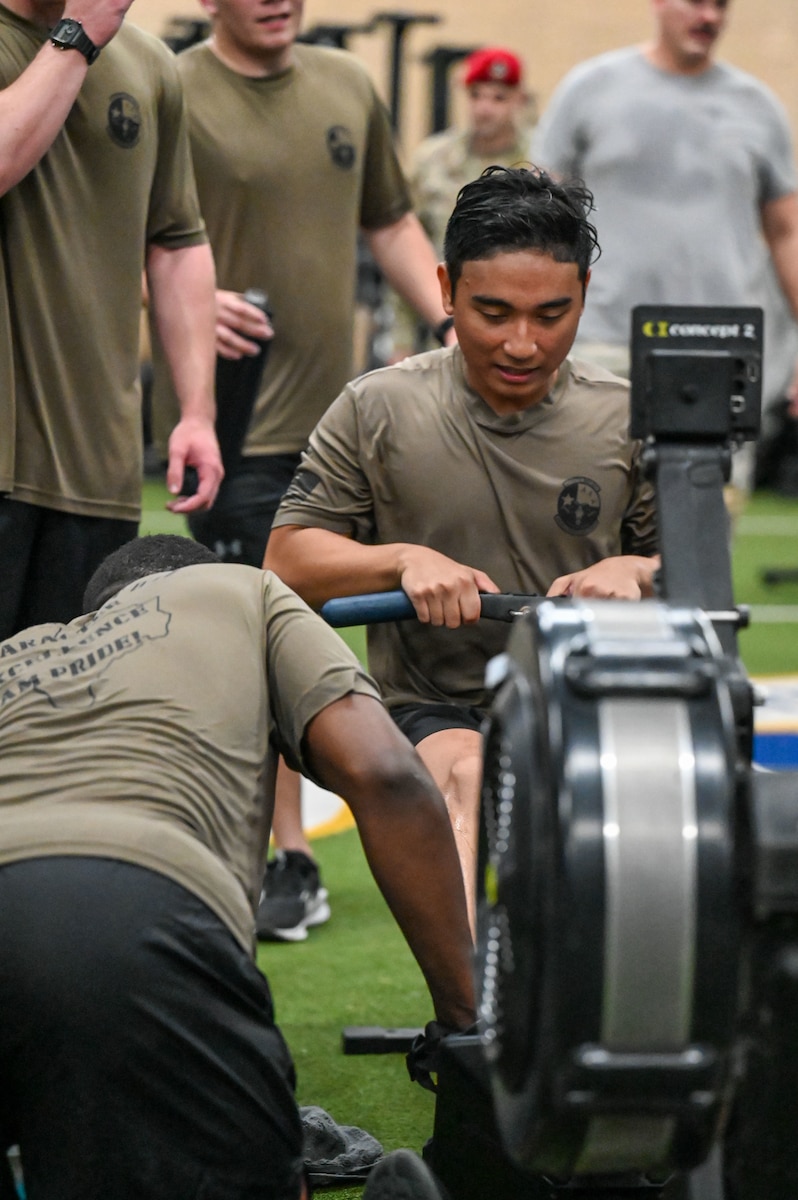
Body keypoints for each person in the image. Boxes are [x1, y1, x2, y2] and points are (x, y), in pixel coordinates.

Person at [0, 533, 474, 1200]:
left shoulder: (15, 651)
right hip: (136, 908)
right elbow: (386, 773)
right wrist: (465, 1024)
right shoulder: (240, 589)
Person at [264, 166, 660, 932]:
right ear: (446, 290)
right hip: (436, 706)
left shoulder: (626, 418)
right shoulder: (379, 406)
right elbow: (286, 562)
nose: (522, 343)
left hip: (589, 698)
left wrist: (635, 570)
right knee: (472, 778)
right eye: (493, 312)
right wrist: (400, 560)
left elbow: (694, 580)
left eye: (552, 314)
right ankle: (476, 1002)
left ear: (584, 293)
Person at [150, 0, 459, 940]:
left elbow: (391, 221)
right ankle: (288, 854)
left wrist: (448, 321)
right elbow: (121, 226)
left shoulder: (347, 85)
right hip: (233, 419)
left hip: (346, 420)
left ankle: (416, 807)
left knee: (340, 624)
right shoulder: (170, 86)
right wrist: (175, 299)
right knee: (265, 629)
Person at [0, 0, 224, 643]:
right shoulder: (81, 39)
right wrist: (78, 37)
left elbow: (177, 241)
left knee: (71, 702)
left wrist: (196, 412)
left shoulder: (149, 63)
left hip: (96, 470)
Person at [531, 0, 798, 436]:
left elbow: (788, 233)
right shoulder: (590, 89)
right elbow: (540, 217)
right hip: (604, 342)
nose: (709, 16)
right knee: (592, 477)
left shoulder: (757, 107)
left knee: (711, 482)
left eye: (721, 5)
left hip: (720, 344)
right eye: (696, 2)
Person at [391, 45, 535, 358]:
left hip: (520, 331)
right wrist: (400, 341)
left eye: (498, 98)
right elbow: (405, 245)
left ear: (519, 100)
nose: (484, 108)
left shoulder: (539, 165)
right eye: (476, 96)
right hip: (443, 327)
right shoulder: (432, 161)